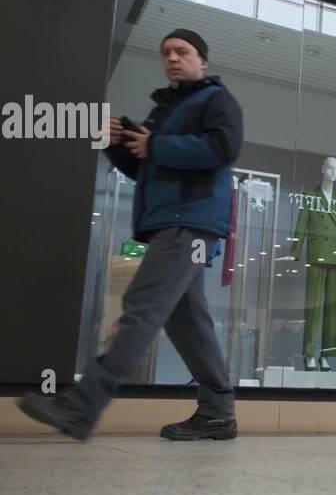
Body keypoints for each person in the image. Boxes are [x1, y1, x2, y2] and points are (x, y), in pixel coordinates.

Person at [18, 29, 244, 441]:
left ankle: (80, 408)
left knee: (141, 306)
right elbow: (147, 169)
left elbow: (224, 148)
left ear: (202, 61)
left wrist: (156, 145)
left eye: (182, 51)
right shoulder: (167, 111)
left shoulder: (216, 100)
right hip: (170, 220)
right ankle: (217, 412)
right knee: (188, 322)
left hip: (190, 222)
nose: (173, 58)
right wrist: (117, 146)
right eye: (166, 53)